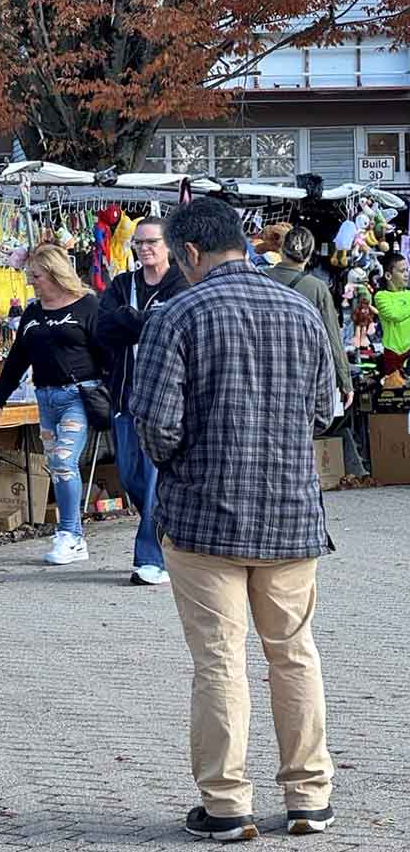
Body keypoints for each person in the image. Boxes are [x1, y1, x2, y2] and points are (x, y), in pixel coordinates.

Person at [131, 197, 337, 842]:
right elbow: (324, 411)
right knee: (294, 656)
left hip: (204, 517)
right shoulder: (302, 308)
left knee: (220, 661)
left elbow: (154, 423)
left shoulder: (178, 313)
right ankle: (309, 798)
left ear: (190, 252)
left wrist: (184, 464)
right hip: (291, 513)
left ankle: (226, 805)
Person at [0, 244, 103, 565]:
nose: (31, 282)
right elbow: (17, 358)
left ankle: (70, 534)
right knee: (56, 465)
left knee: (65, 461)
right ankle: (73, 537)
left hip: (78, 395)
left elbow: (106, 351)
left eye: (36, 276)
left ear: (54, 274)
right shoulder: (33, 312)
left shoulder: (88, 305)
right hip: (46, 398)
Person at [97, 216, 188, 585]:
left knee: (152, 479)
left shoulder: (181, 284)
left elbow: (172, 327)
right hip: (124, 394)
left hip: (163, 397)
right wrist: (141, 320)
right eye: (139, 242)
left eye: (152, 242)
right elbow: (103, 328)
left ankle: (151, 558)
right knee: (129, 474)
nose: (145, 248)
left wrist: (129, 319)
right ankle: (169, 529)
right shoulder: (123, 284)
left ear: (168, 246)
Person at [265, 226, 353, 409]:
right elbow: (332, 337)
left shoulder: (259, 278)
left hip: (260, 371)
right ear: (309, 254)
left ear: (282, 249)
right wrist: (345, 382)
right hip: (300, 376)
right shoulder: (317, 288)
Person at [372, 252, 410, 376]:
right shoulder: (381, 296)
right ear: (388, 275)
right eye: (402, 271)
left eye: (407, 270)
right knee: (393, 386)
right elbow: (394, 315)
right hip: (393, 353)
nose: (406, 274)